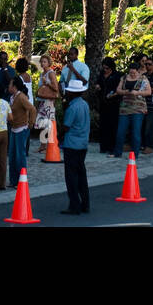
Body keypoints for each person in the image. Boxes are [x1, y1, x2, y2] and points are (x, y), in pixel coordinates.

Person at [60, 80, 92, 215]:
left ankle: (74, 205)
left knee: (71, 176)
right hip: (83, 143)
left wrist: (58, 136)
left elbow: (66, 126)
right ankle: (85, 203)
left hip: (72, 144)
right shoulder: (84, 104)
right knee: (81, 174)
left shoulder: (72, 108)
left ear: (71, 93)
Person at [112, 60, 150, 157]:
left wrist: (137, 93)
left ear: (138, 71)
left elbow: (148, 92)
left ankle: (135, 154)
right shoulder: (124, 78)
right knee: (120, 131)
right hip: (125, 108)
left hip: (138, 108)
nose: (132, 74)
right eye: (131, 72)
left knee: (135, 132)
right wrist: (125, 92)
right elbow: (118, 90)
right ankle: (117, 152)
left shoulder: (143, 78)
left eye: (134, 73)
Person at [7, 76, 35, 187]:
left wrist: (31, 123)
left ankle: (21, 180)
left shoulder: (21, 97)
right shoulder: (13, 97)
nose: (8, 86)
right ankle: (14, 181)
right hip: (14, 128)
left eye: (10, 84)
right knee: (13, 155)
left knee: (20, 156)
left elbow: (32, 109)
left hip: (21, 129)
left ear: (14, 86)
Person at [34, 55, 61, 154]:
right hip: (42, 100)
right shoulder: (42, 73)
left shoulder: (51, 73)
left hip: (49, 101)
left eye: (44, 62)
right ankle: (43, 145)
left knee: (48, 124)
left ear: (49, 63)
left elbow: (56, 88)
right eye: (41, 62)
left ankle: (49, 145)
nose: (42, 63)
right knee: (42, 124)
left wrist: (47, 83)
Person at [96, 58, 120, 156]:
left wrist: (113, 94)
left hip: (113, 103)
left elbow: (119, 88)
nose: (105, 70)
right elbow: (98, 83)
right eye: (104, 68)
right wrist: (97, 87)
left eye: (107, 68)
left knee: (112, 125)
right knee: (103, 124)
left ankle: (112, 147)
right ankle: (103, 146)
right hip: (103, 102)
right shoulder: (101, 74)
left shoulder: (116, 75)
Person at [141, 56, 153, 154]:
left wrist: (142, 91)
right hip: (141, 104)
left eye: (150, 64)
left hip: (151, 105)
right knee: (141, 126)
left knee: (149, 127)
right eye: (146, 64)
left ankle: (149, 146)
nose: (148, 66)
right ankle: (141, 144)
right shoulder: (143, 76)